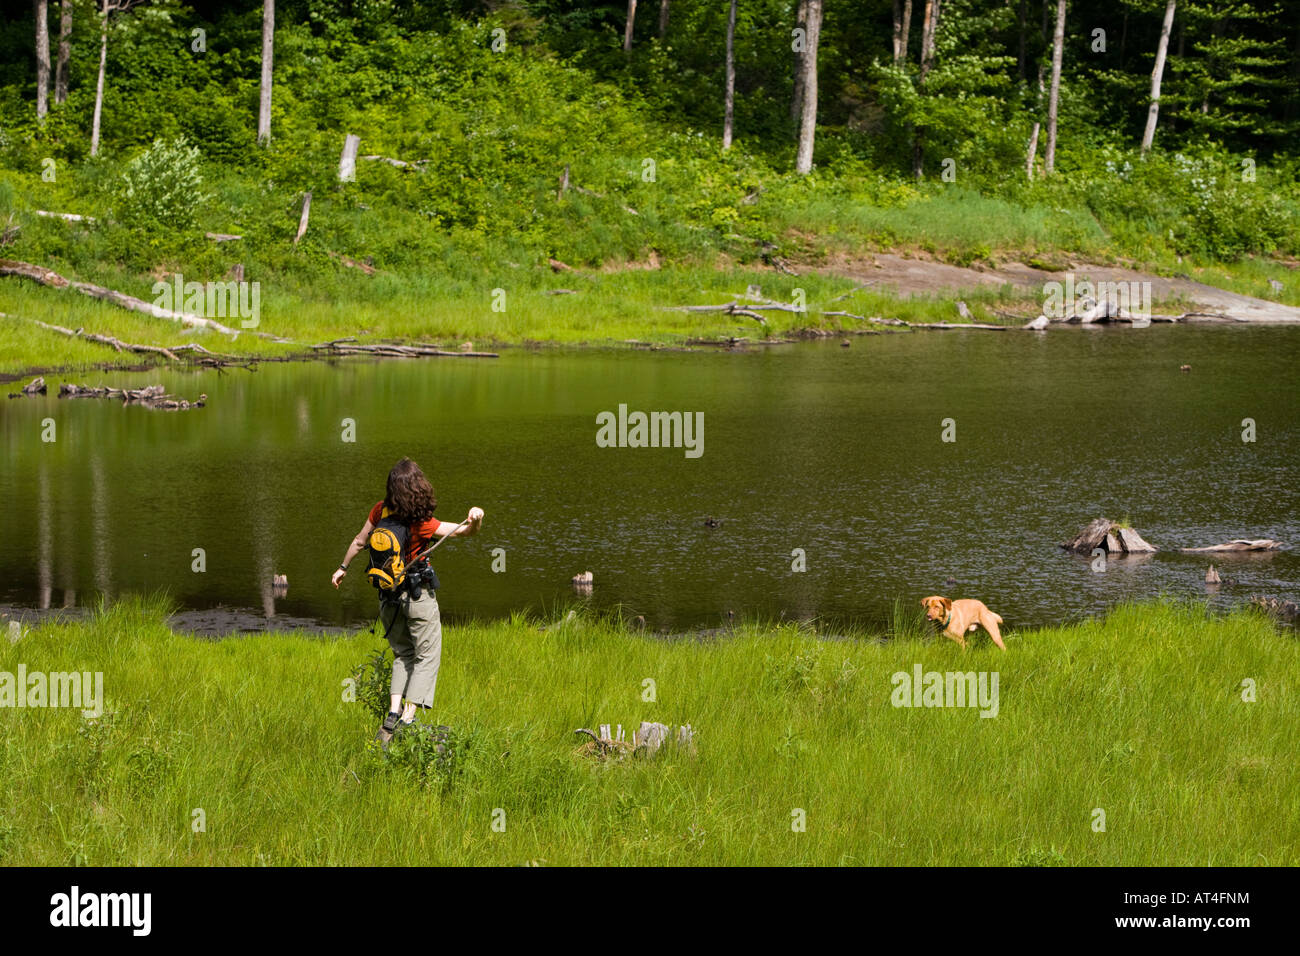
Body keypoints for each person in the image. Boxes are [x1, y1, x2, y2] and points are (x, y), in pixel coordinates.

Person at [332, 457, 483, 742]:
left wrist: (342, 568)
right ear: (418, 488)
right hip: (417, 597)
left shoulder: (379, 511)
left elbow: (358, 541)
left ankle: (392, 713)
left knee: (403, 653)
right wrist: (477, 517)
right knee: (427, 655)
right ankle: (408, 718)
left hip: (386, 597)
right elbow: (466, 531)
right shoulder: (423, 523)